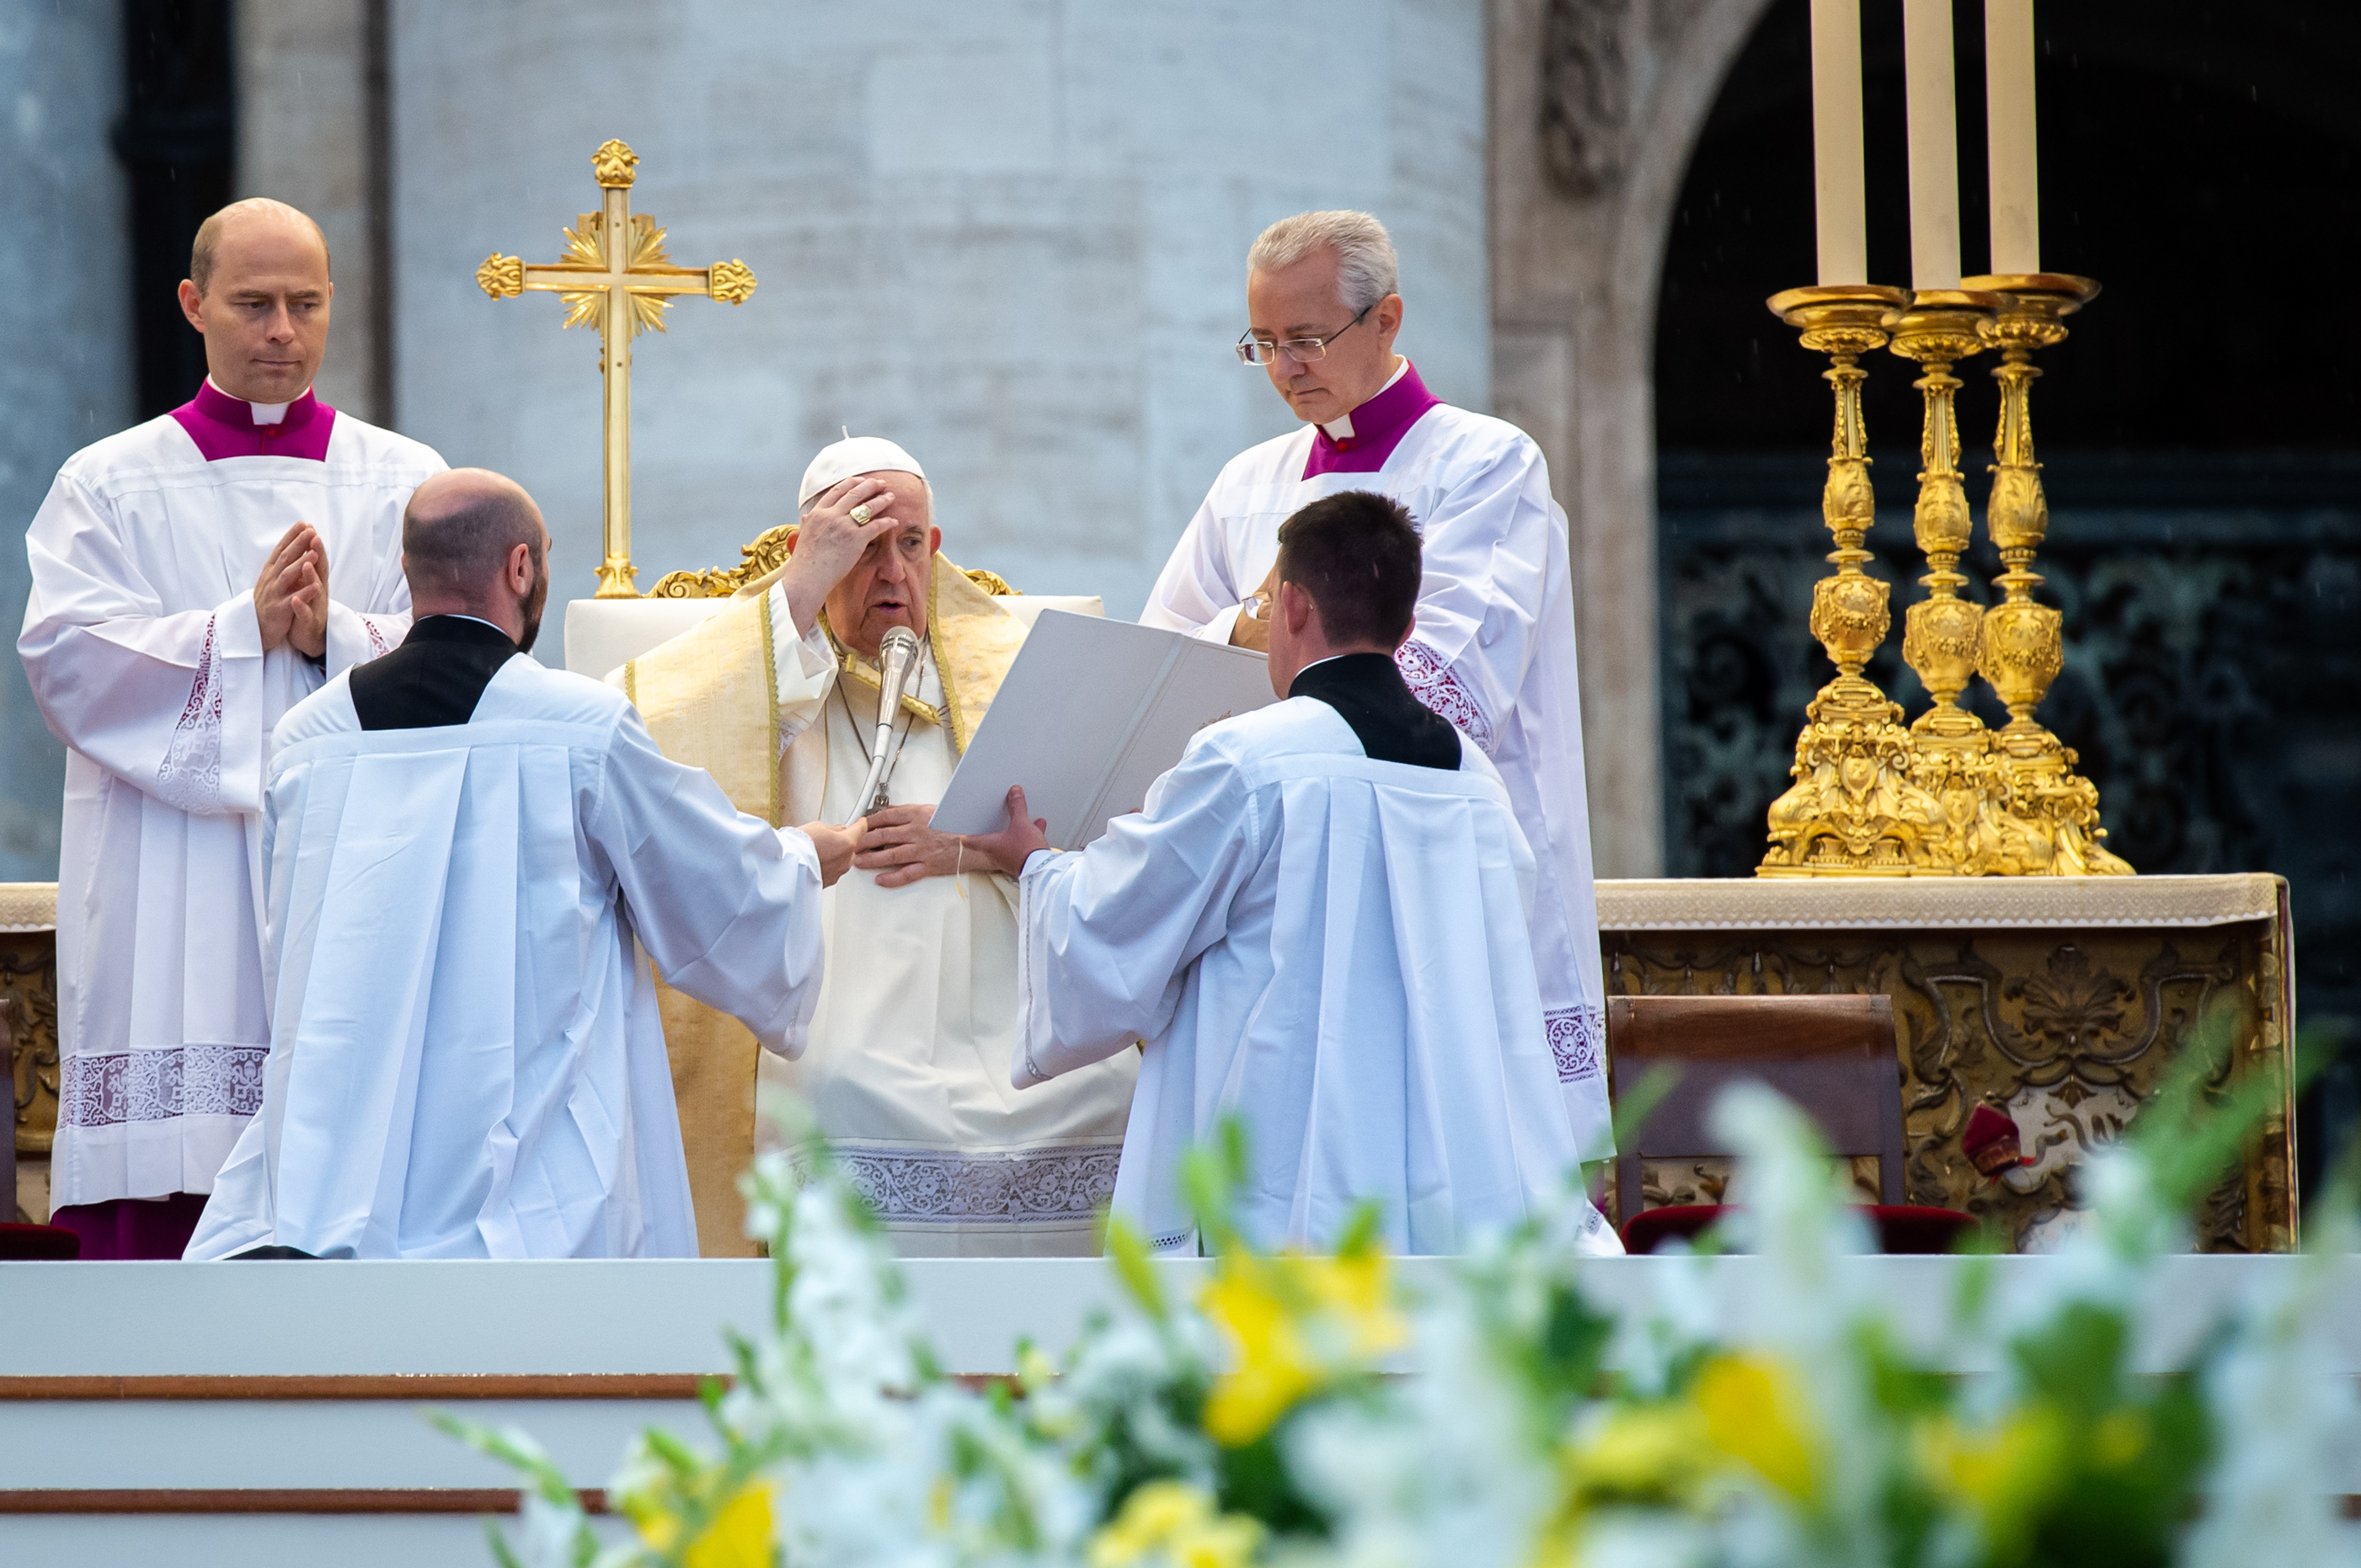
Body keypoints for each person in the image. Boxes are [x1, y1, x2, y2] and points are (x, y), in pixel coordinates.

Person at [185, 472, 859, 1260]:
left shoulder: (307, 741)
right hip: (532, 1204)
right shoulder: (578, 729)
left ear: (408, 573)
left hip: (335, 1190)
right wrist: (805, 854)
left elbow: (289, 952)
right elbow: (710, 886)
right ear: (520, 569)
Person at [985, 492, 1617, 1256]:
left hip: (1285, 1194)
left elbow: (1116, 919)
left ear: (1289, 605)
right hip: (1450, 1188)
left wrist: (1040, 866)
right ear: (1407, 626)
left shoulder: (1249, 760)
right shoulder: (1476, 782)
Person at [1139, 210, 1613, 1169]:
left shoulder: (1485, 463)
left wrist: (1272, 632)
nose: (1285, 367)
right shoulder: (1245, 484)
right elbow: (1158, 661)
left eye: (1307, 339)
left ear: (1387, 318)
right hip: (1277, 889)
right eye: (1263, 343)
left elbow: (1446, 685)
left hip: (1440, 866)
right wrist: (1245, 624)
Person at [19, 199, 445, 1257]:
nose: (281, 331)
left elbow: (463, 658)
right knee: (173, 1177)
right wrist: (240, 634)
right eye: (253, 305)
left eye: (305, 304)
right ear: (193, 304)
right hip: (174, 879)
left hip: (347, 864)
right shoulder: (109, 483)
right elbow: (67, 658)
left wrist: (335, 634)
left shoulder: (407, 480)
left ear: (332, 303)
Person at [623, 439, 1139, 1256]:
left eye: (908, 545)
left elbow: (1092, 823)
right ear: (814, 555)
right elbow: (662, 741)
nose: (891, 572)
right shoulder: (773, 674)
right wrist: (801, 588)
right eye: (863, 549)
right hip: (836, 1008)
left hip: (1003, 1010)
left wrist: (964, 841)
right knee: (835, 1096)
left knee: (1108, 1093)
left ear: (935, 550)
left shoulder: (1000, 669)